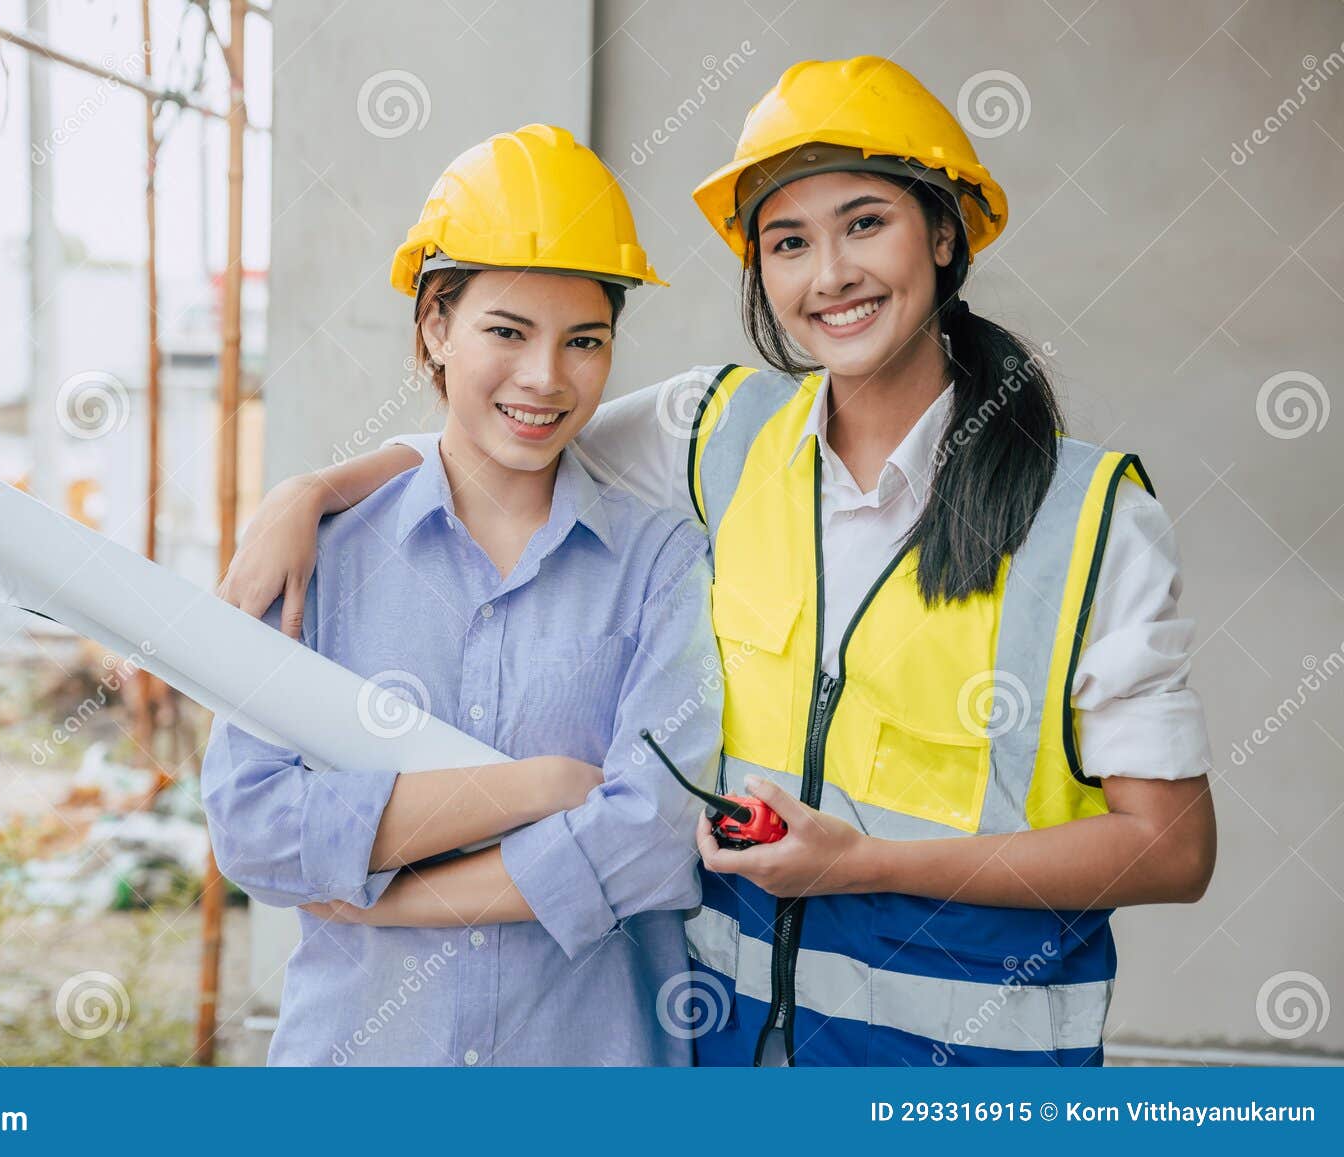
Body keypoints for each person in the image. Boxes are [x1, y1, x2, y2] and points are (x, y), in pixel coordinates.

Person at [218, 59, 1218, 1068]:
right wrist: (311, 491)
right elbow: (506, 437)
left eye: (865, 223)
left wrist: (867, 864)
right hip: (740, 1058)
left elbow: (1172, 847)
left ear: (945, 232)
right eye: (788, 242)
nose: (828, 274)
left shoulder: (1089, 520)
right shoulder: (716, 435)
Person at [200, 124, 721, 1066]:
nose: (546, 378)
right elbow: (255, 826)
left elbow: (656, 836)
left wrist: (391, 892)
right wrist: (542, 789)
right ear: (436, 326)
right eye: (507, 331)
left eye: (585, 341)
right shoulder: (323, 559)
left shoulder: (663, 565)